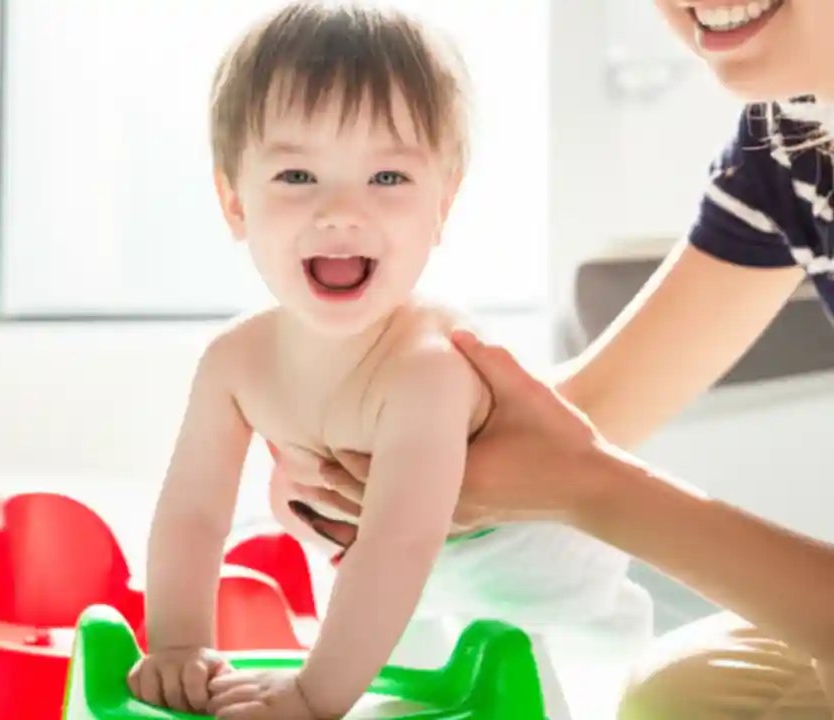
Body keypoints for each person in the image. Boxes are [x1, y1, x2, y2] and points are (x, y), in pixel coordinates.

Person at [278, 1, 834, 716]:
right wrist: (398, 442)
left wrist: (589, 487)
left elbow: (579, 457)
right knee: (677, 696)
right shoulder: (790, 144)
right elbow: (593, 409)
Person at [128, 3, 648, 719]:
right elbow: (192, 512)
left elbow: (400, 546)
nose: (341, 212)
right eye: (298, 176)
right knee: (396, 678)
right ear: (233, 201)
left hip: (536, 573)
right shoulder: (233, 362)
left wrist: (314, 696)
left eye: (388, 180)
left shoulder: (427, 368)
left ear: (443, 203)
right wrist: (180, 644)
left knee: (555, 689)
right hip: (390, 576)